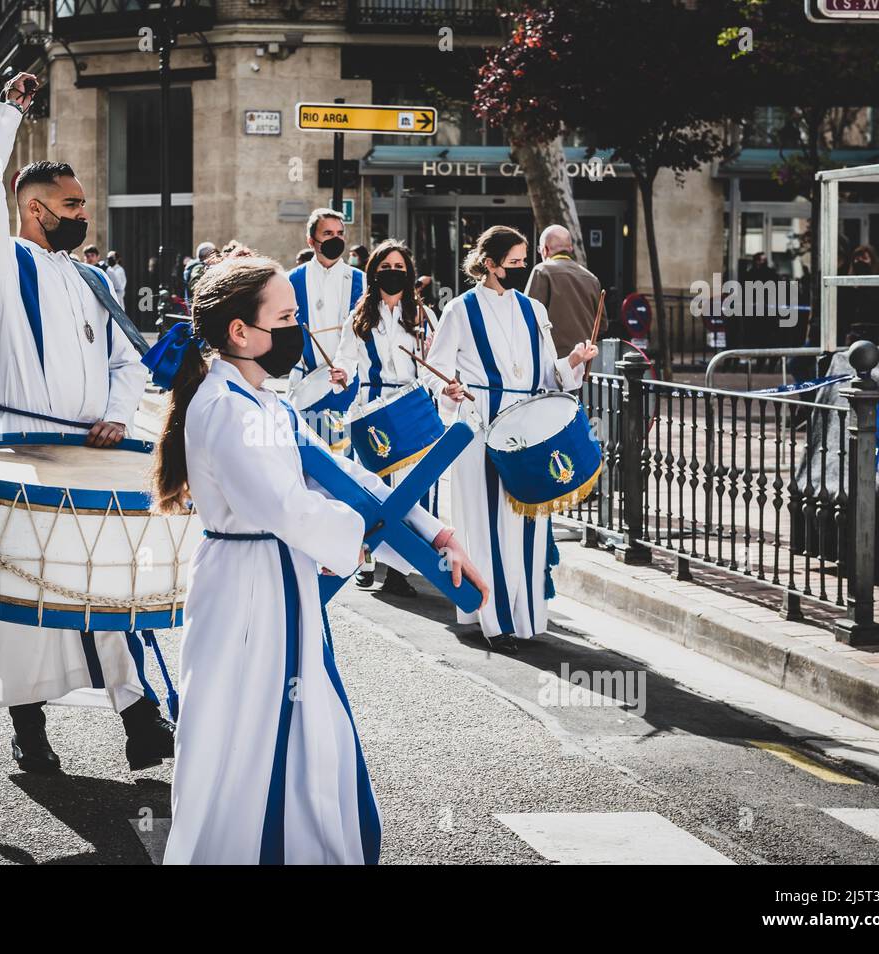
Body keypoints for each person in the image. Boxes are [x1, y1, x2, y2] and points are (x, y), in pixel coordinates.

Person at [147, 255, 487, 865]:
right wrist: (353, 537)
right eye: (286, 317)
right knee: (241, 739)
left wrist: (436, 533)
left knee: (306, 732)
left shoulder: (266, 402)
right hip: (246, 594)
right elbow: (286, 507)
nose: (297, 330)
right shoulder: (226, 408)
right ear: (240, 333)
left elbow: (342, 475)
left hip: (282, 586)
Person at [0, 70, 174, 775]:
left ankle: (141, 719)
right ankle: (28, 726)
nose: (84, 214)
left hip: (92, 455)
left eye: (83, 203)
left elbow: (128, 362)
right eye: (70, 204)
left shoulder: (92, 278)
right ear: (32, 210)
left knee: (105, 586)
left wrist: (116, 418)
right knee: (27, 600)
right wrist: (5, 120)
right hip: (22, 454)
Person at [420, 225, 597, 652]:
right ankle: (494, 619)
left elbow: (548, 373)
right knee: (485, 525)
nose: (522, 268)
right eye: (514, 262)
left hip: (530, 430)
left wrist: (574, 359)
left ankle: (526, 616)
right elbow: (433, 369)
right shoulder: (460, 310)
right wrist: (447, 388)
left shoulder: (534, 309)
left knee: (527, 526)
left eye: (523, 260)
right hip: (482, 428)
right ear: (489, 263)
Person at [330, 239, 436, 596]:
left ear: (409, 274)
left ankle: (399, 570)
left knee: (409, 487)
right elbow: (346, 356)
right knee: (372, 487)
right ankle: (367, 559)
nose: (393, 273)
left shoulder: (422, 315)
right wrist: (341, 374)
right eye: (385, 268)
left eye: (399, 268)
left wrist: (446, 388)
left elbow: (435, 363)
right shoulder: (359, 316)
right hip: (372, 407)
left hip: (411, 407)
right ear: (374, 273)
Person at [287, 208, 364, 400]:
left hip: (350, 382)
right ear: (311, 240)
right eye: (328, 233)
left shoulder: (362, 280)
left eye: (339, 233)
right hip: (306, 382)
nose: (335, 239)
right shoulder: (292, 280)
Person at [523, 224, 602, 359]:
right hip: (585, 361)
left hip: (553, 362)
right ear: (570, 248)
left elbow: (526, 316)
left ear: (545, 250)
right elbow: (602, 324)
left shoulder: (542, 270)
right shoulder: (591, 278)